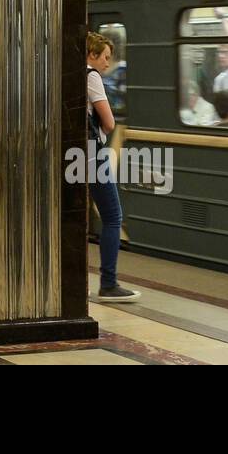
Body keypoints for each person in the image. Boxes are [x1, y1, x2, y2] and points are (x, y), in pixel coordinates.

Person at [87, 31, 141, 302]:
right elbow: (108, 123)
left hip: (72, 154)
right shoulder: (92, 76)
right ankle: (108, 284)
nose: (107, 63)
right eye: (105, 57)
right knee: (112, 216)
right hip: (91, 154)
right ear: (92, 55)